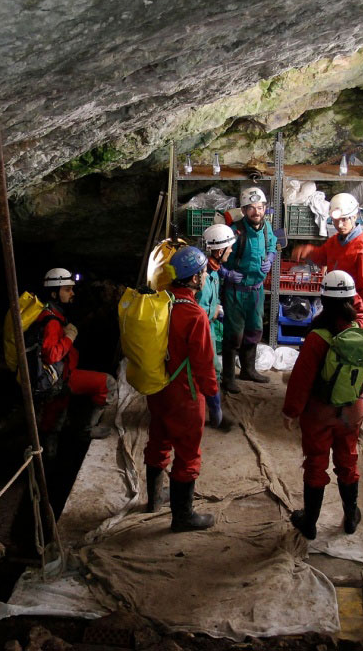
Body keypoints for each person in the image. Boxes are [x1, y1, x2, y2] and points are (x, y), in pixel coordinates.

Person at [282, 270, 363, 540]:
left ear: (323, 299)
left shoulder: (317, 338)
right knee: (348, 460)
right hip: (351, 411)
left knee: (316, 464)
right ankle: (351, 517)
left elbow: (300, 382)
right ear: (352, 299)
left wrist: (291, 412)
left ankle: (310, 523)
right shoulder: (360, 331)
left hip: (319, 414)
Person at [143, 246, 221, 531]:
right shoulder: (195, 315)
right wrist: (213, 398)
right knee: (188, 453)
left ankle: (153, 501)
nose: (204, 276)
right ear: (193, 278)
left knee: (159, 440)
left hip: (157, 387)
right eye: (201, 273)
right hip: (184, 393)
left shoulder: (158, 303)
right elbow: (203, 364)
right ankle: (183, 517)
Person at [35, 268, 114, 455]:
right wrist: (70, 337)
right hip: (59, 377)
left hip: (58, 374)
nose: (72, 293)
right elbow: (51, 354)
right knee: (108, 384)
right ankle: (84, 432)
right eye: (67, 289)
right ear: (54, 293)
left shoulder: (53, 312)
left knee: (54, 419)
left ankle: (50, 457)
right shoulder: (52, 321)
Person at [291, 192, 363, 328]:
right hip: (336, 305)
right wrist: (309, 251)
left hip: (355, 311)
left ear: (355, 217)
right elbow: (323, 256)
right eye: (336, 220)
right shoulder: (336, 241)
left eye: (345, 219)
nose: (340, 225)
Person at [218, 186, 278, 394]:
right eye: (251, 208)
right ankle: (228, 377)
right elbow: (216, 258)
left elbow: (272, 245)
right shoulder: (234, 231)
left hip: (256, 291)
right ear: (243, 210)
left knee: (254, 331)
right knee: (234, 335)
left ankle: (248, 370)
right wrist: (226, 274)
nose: (256, 212)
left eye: (260, 207)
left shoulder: (267, 228)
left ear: (264, 209)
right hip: (236, 291)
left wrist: (270, 258)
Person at [199, 223, 235, 429]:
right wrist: (214, 312)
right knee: (213, 370)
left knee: (213, 370)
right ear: (219, 250)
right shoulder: (204, 275)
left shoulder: (213, 272)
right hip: (201, 331)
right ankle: (216, 417)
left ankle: (214, 413)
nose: (231, 251)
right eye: (228, 248)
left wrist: (216, 307)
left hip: (208, 329)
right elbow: (195, 311)